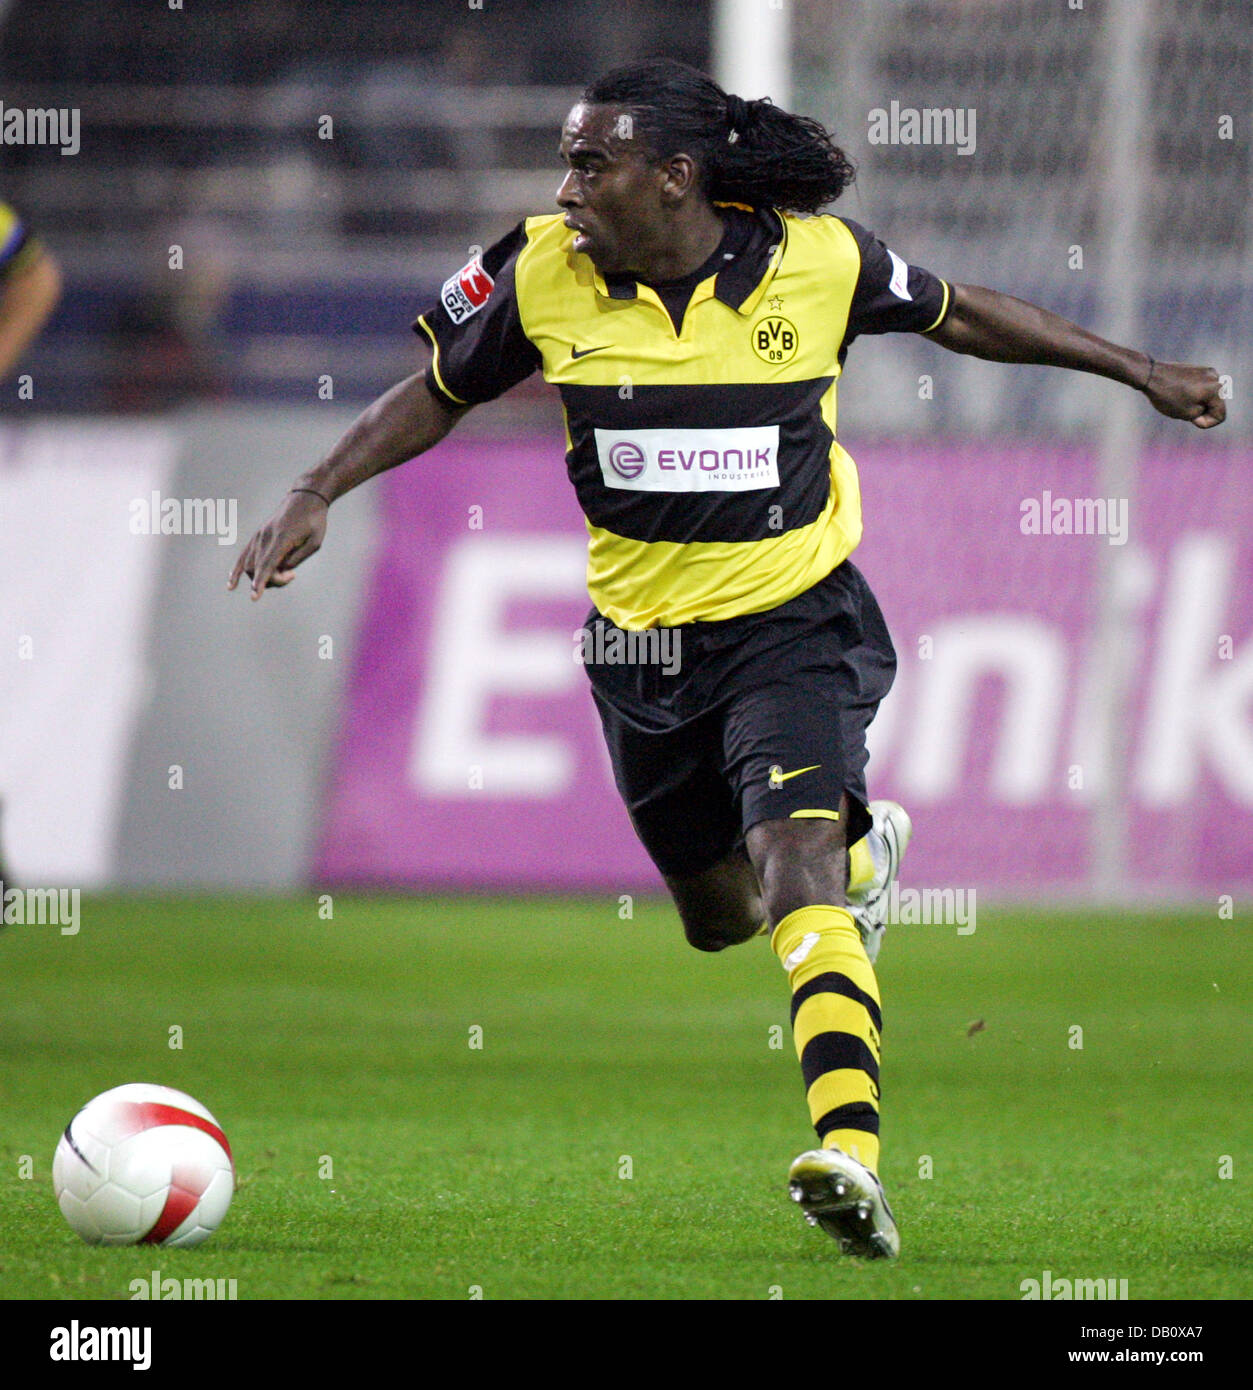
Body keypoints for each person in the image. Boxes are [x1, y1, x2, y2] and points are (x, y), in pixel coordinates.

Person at [229, 58, 1225, 1259]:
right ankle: (870, 850)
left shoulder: (816, 259)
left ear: (675, 175)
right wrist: (315, 485)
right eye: (567, 160)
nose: (568, 184)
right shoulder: (540, 267)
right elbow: (438, 390)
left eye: (591, 162)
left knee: (796, 872)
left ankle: (848, 1155)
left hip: (791, 620)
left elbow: (960, 310)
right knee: (720, 916)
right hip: (635, 644)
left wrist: (1138, 371)